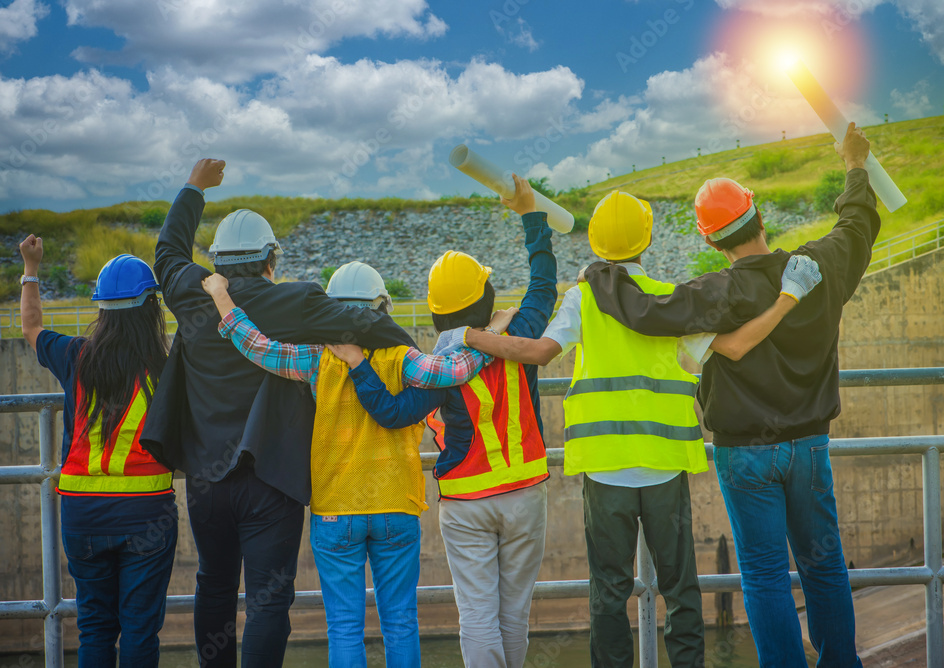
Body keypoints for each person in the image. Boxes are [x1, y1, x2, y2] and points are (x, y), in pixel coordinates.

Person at [462, 189, 822, 667]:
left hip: (605, 472)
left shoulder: (582, 300)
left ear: (594, 245)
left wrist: (473, 336)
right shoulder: (672, 301)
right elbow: (735, 347)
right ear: (648, 239)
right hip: (664, 470)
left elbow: (538, 352)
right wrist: (788, 297)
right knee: (681, 591)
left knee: (608, 595)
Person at [580, 123, 875, 667]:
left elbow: (648, 311)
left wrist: (601, 275)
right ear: (759, 214)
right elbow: (857, 224)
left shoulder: (719, 292)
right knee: (824, 566)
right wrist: (855, 165)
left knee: (764, 576)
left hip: (743, 454)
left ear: (709, 239)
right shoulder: (818, 267)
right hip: (810, 445)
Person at [140, 159, 416, 667]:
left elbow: (167, 253)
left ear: (219, 260)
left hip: (205, 478)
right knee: (269, 596)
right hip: (273, 478)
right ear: (272, 259)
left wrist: (194, 188)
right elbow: (363, 324)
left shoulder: (191, 291)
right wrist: (407, 350)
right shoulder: (295, 302)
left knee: (214, 583)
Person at [199, 261, 515, 668]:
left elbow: (256, 345)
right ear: (382, 306)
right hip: (396, 503)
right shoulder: (404, 358)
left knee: (344, 626)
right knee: (400, 622)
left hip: (336, 509)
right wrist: (492, 333)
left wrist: (221, 295)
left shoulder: (316, 360)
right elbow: (454, 367)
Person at [331, 174, 558, 668]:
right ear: (487, 292)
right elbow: (544, 285)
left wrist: (359, 365)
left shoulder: (434, 366)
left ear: (435, 312)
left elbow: (391, 413)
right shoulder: (516, 331)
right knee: (514, 614)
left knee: (477, 615)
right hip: (525, 490)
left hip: (466, 500)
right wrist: (530, 215)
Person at [19, 237, 177, 668]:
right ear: (151, 308)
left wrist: (31, 269)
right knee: (141, 627)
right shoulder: (167, 366)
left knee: (95, 625)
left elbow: (31, 329)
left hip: (83, 510)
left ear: (101, 308)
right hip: (148, 511)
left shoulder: (75, 355)